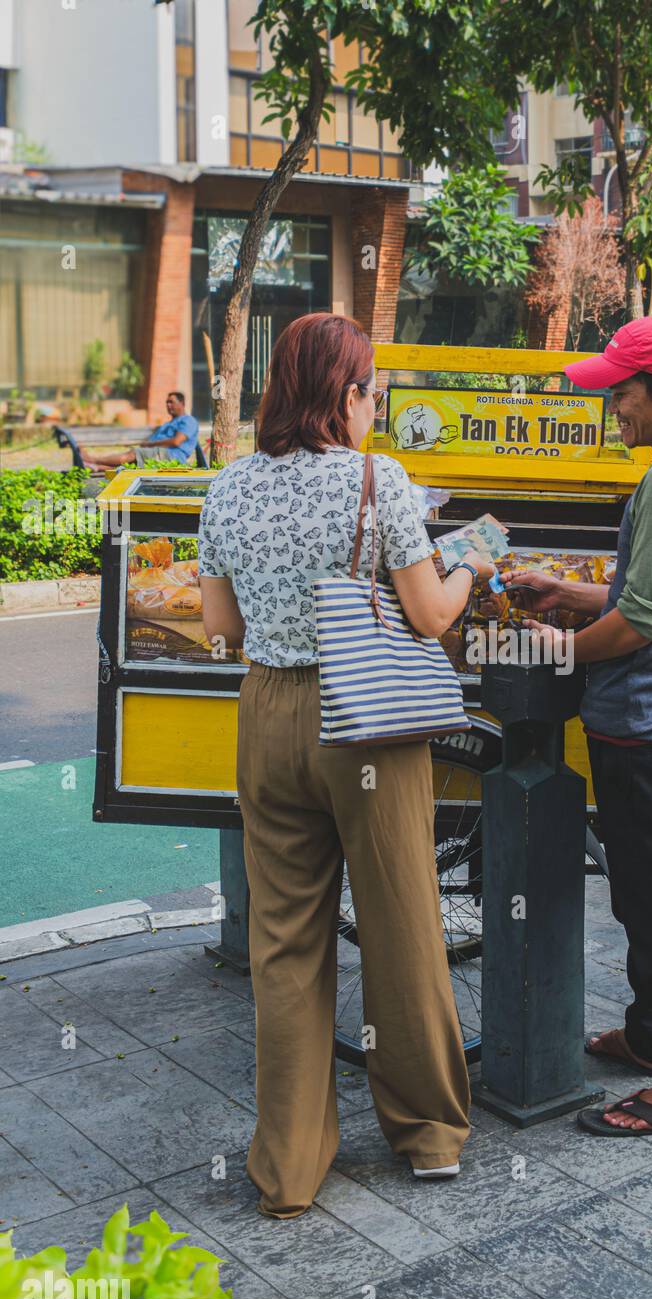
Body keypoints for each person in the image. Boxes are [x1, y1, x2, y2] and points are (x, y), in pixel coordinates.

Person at [196, 312, 494, 1218]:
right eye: (370, 391)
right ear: (347, 395)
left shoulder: (229, 488)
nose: (375, 406)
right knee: (403, 921)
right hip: (365, 720)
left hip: (270, 716)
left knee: (283, 947)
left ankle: (287, 1168)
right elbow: (432, 614)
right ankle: (429, 1136)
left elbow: (224, 629)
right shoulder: (380, 478)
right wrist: (474, 556)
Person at [508, 315, 652, 1138]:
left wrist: (562, 646)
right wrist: (571, 594)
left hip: (647, 729)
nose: (612, 406)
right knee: (641, 901)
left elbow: (641, 622)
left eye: (621, 391)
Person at [80, 392, 200, 471]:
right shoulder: (168, 424)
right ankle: (95, 467)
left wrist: (149, 444)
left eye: (171, 402)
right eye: (167, 402)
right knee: (130, 463)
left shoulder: (188, 420)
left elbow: (177, 442)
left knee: (133, 454)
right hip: (158, 454)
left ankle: (92, 459)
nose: (168, 405)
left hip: (172, 457)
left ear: (182, 404)